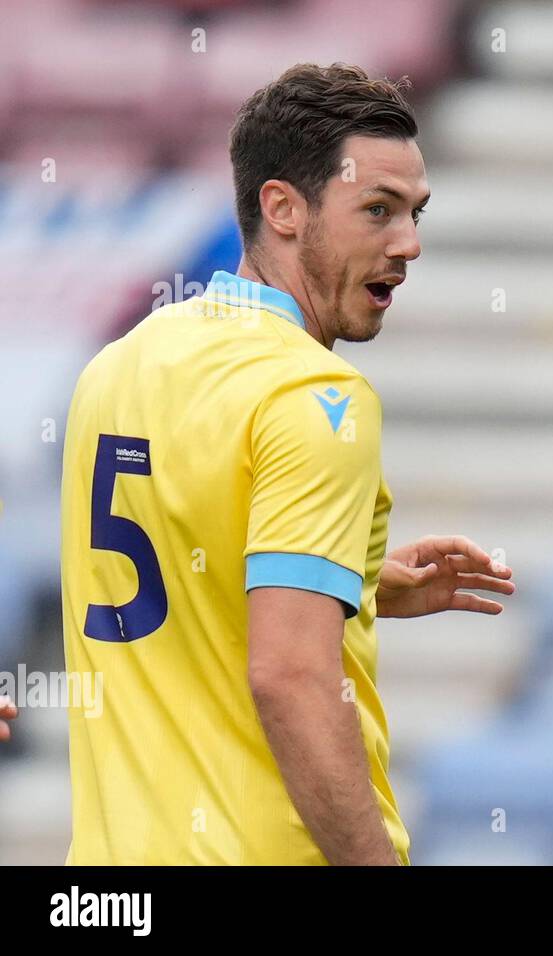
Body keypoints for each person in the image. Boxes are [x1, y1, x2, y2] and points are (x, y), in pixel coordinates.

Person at [60, 63, 513, 865]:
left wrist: (350, 583)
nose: (408, 244)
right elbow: (291, 679)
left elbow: (175, 568)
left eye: (415, 213)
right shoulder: (317, 396)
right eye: (377, 211)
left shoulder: (119, 365)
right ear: (283, 209)